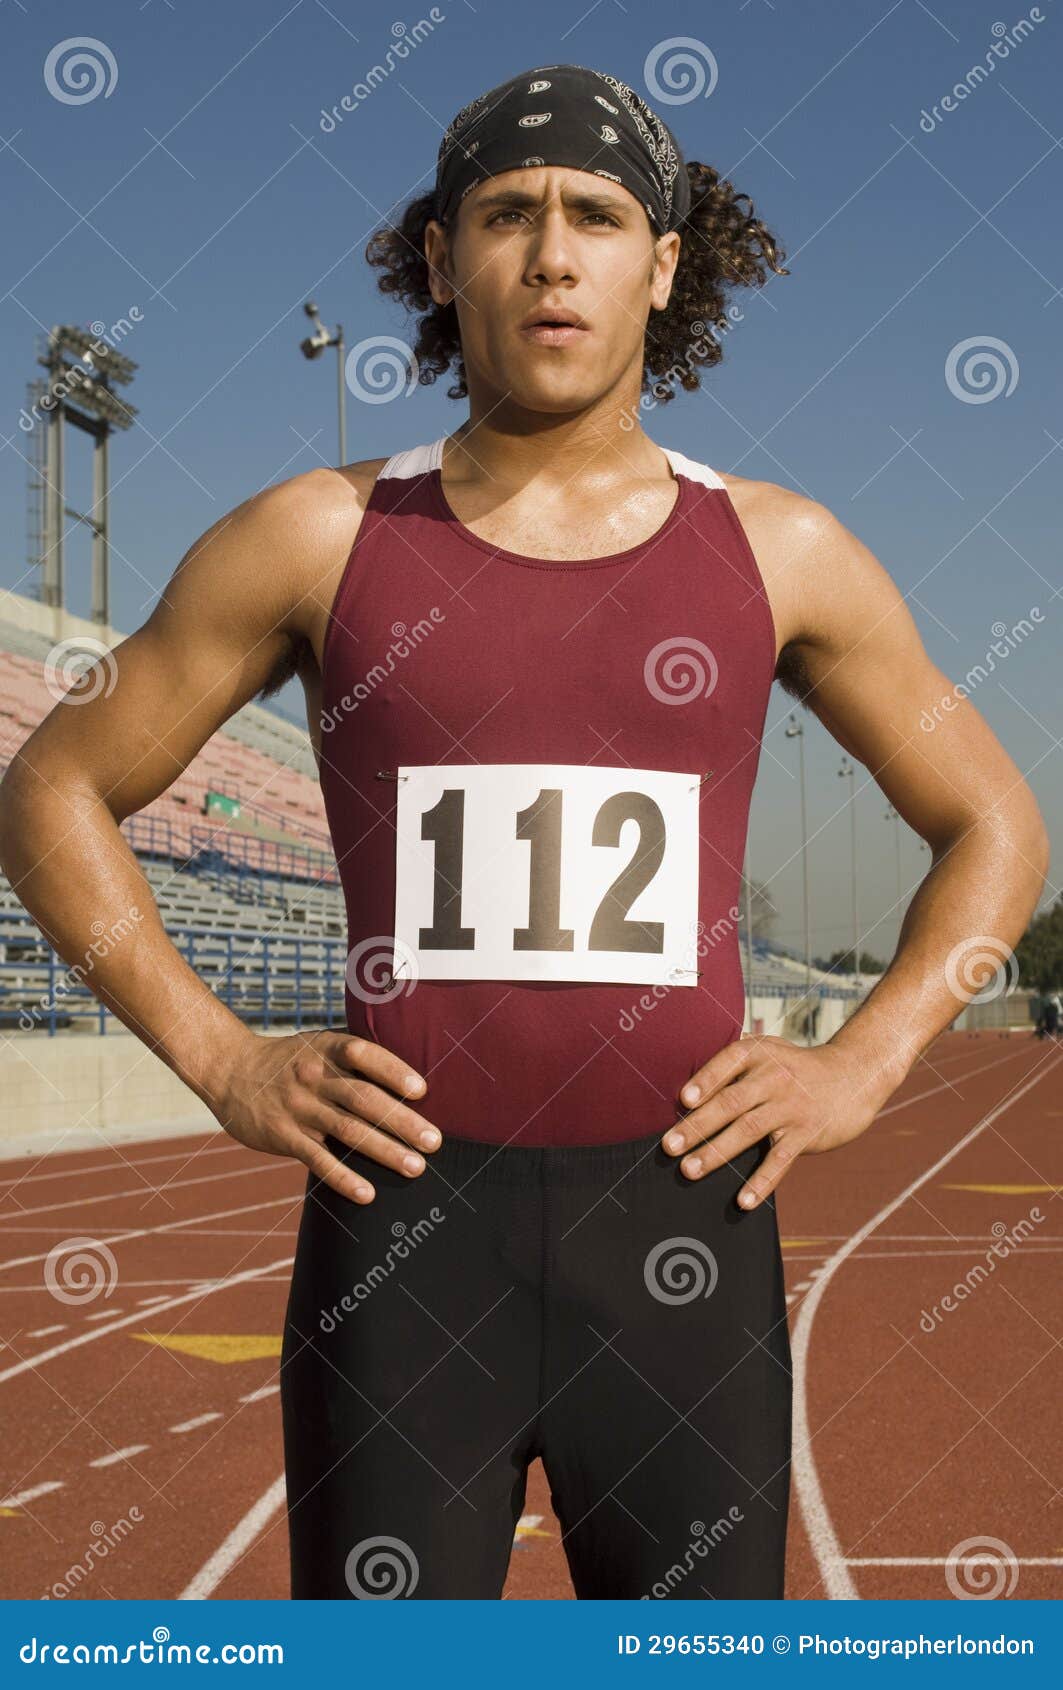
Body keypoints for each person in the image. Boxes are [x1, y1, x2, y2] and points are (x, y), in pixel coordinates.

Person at [0, 63, 1049, 1602]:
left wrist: (867, 1059)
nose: (553, 254)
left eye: (599, 217)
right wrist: (225, 1057)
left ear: (663, 265)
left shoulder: (781, 549)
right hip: (405, 1251)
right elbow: (50, 788)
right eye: (508, 214)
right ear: (441, 260)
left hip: (684, 1241)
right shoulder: (322, 534)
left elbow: (998, 822)